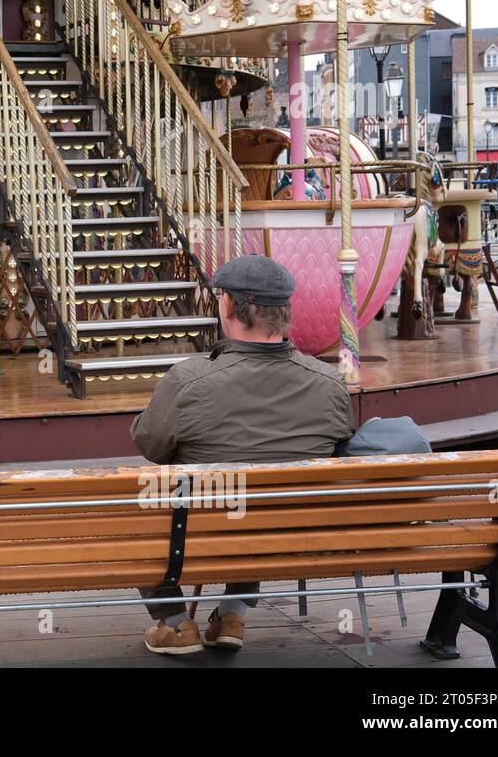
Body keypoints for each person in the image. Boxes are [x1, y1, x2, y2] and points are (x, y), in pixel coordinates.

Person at [130, 254, 354, 656]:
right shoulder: (329, 383)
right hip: (294, 531)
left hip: (200, 530)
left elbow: (151, 446)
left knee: (144, 508)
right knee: (260, 498)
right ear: (285, 311)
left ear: (229, 305)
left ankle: (177, 623)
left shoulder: (188, 379)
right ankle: (232, 613)